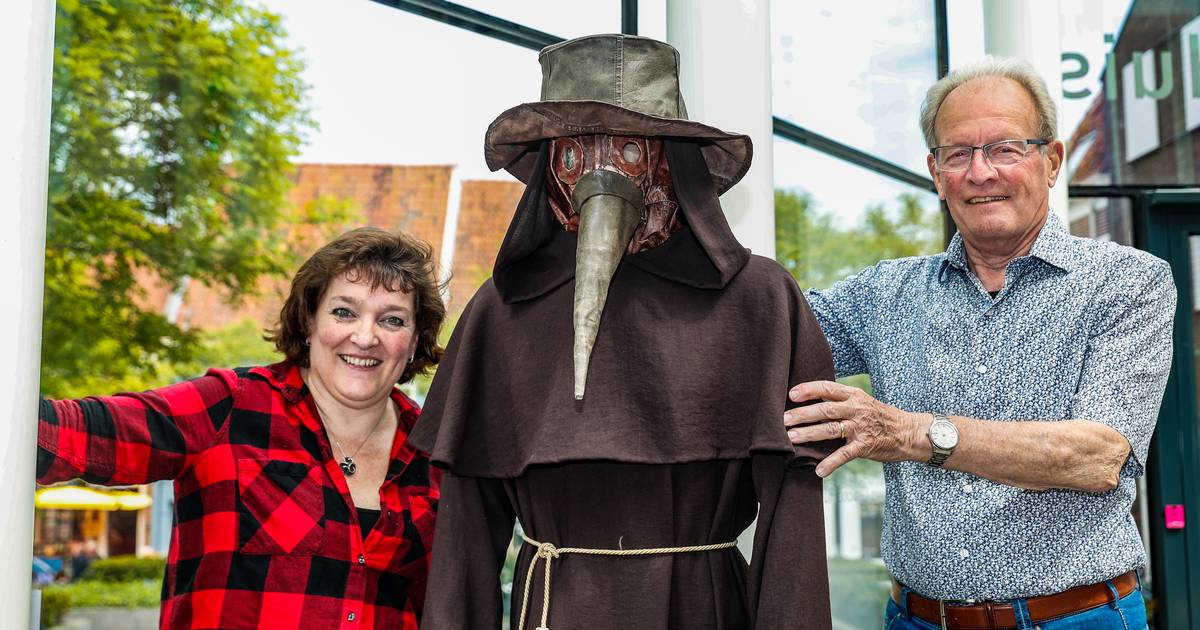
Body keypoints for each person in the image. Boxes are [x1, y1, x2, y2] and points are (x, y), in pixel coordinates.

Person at [411, 34, 837, 630]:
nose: (600, 174)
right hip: (553, 608)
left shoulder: (759, 301)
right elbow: (464, 538)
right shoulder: (501, 311)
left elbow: (793, 511)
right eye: (576, 152)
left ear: (670, 162)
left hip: (702, 609)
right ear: (551, 177)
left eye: (629, 150)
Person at [785, 56, 1175, 629]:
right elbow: (764, 337)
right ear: (936, 173)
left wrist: (912, 432)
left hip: (1078, 618)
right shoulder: (884, 295)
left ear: (1052, 161)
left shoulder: (1128, 281)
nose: (981, 172)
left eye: (1005, 149)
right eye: (958, 153)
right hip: (917, 619)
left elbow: (1097, 456)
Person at [36, 227, 445, 629]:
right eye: (344, 312)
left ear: (413, 342)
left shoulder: (436, 454)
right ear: (309, 322)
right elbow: (76, 434)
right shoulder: (231, 406)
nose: (365, 336)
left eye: (392, 320)